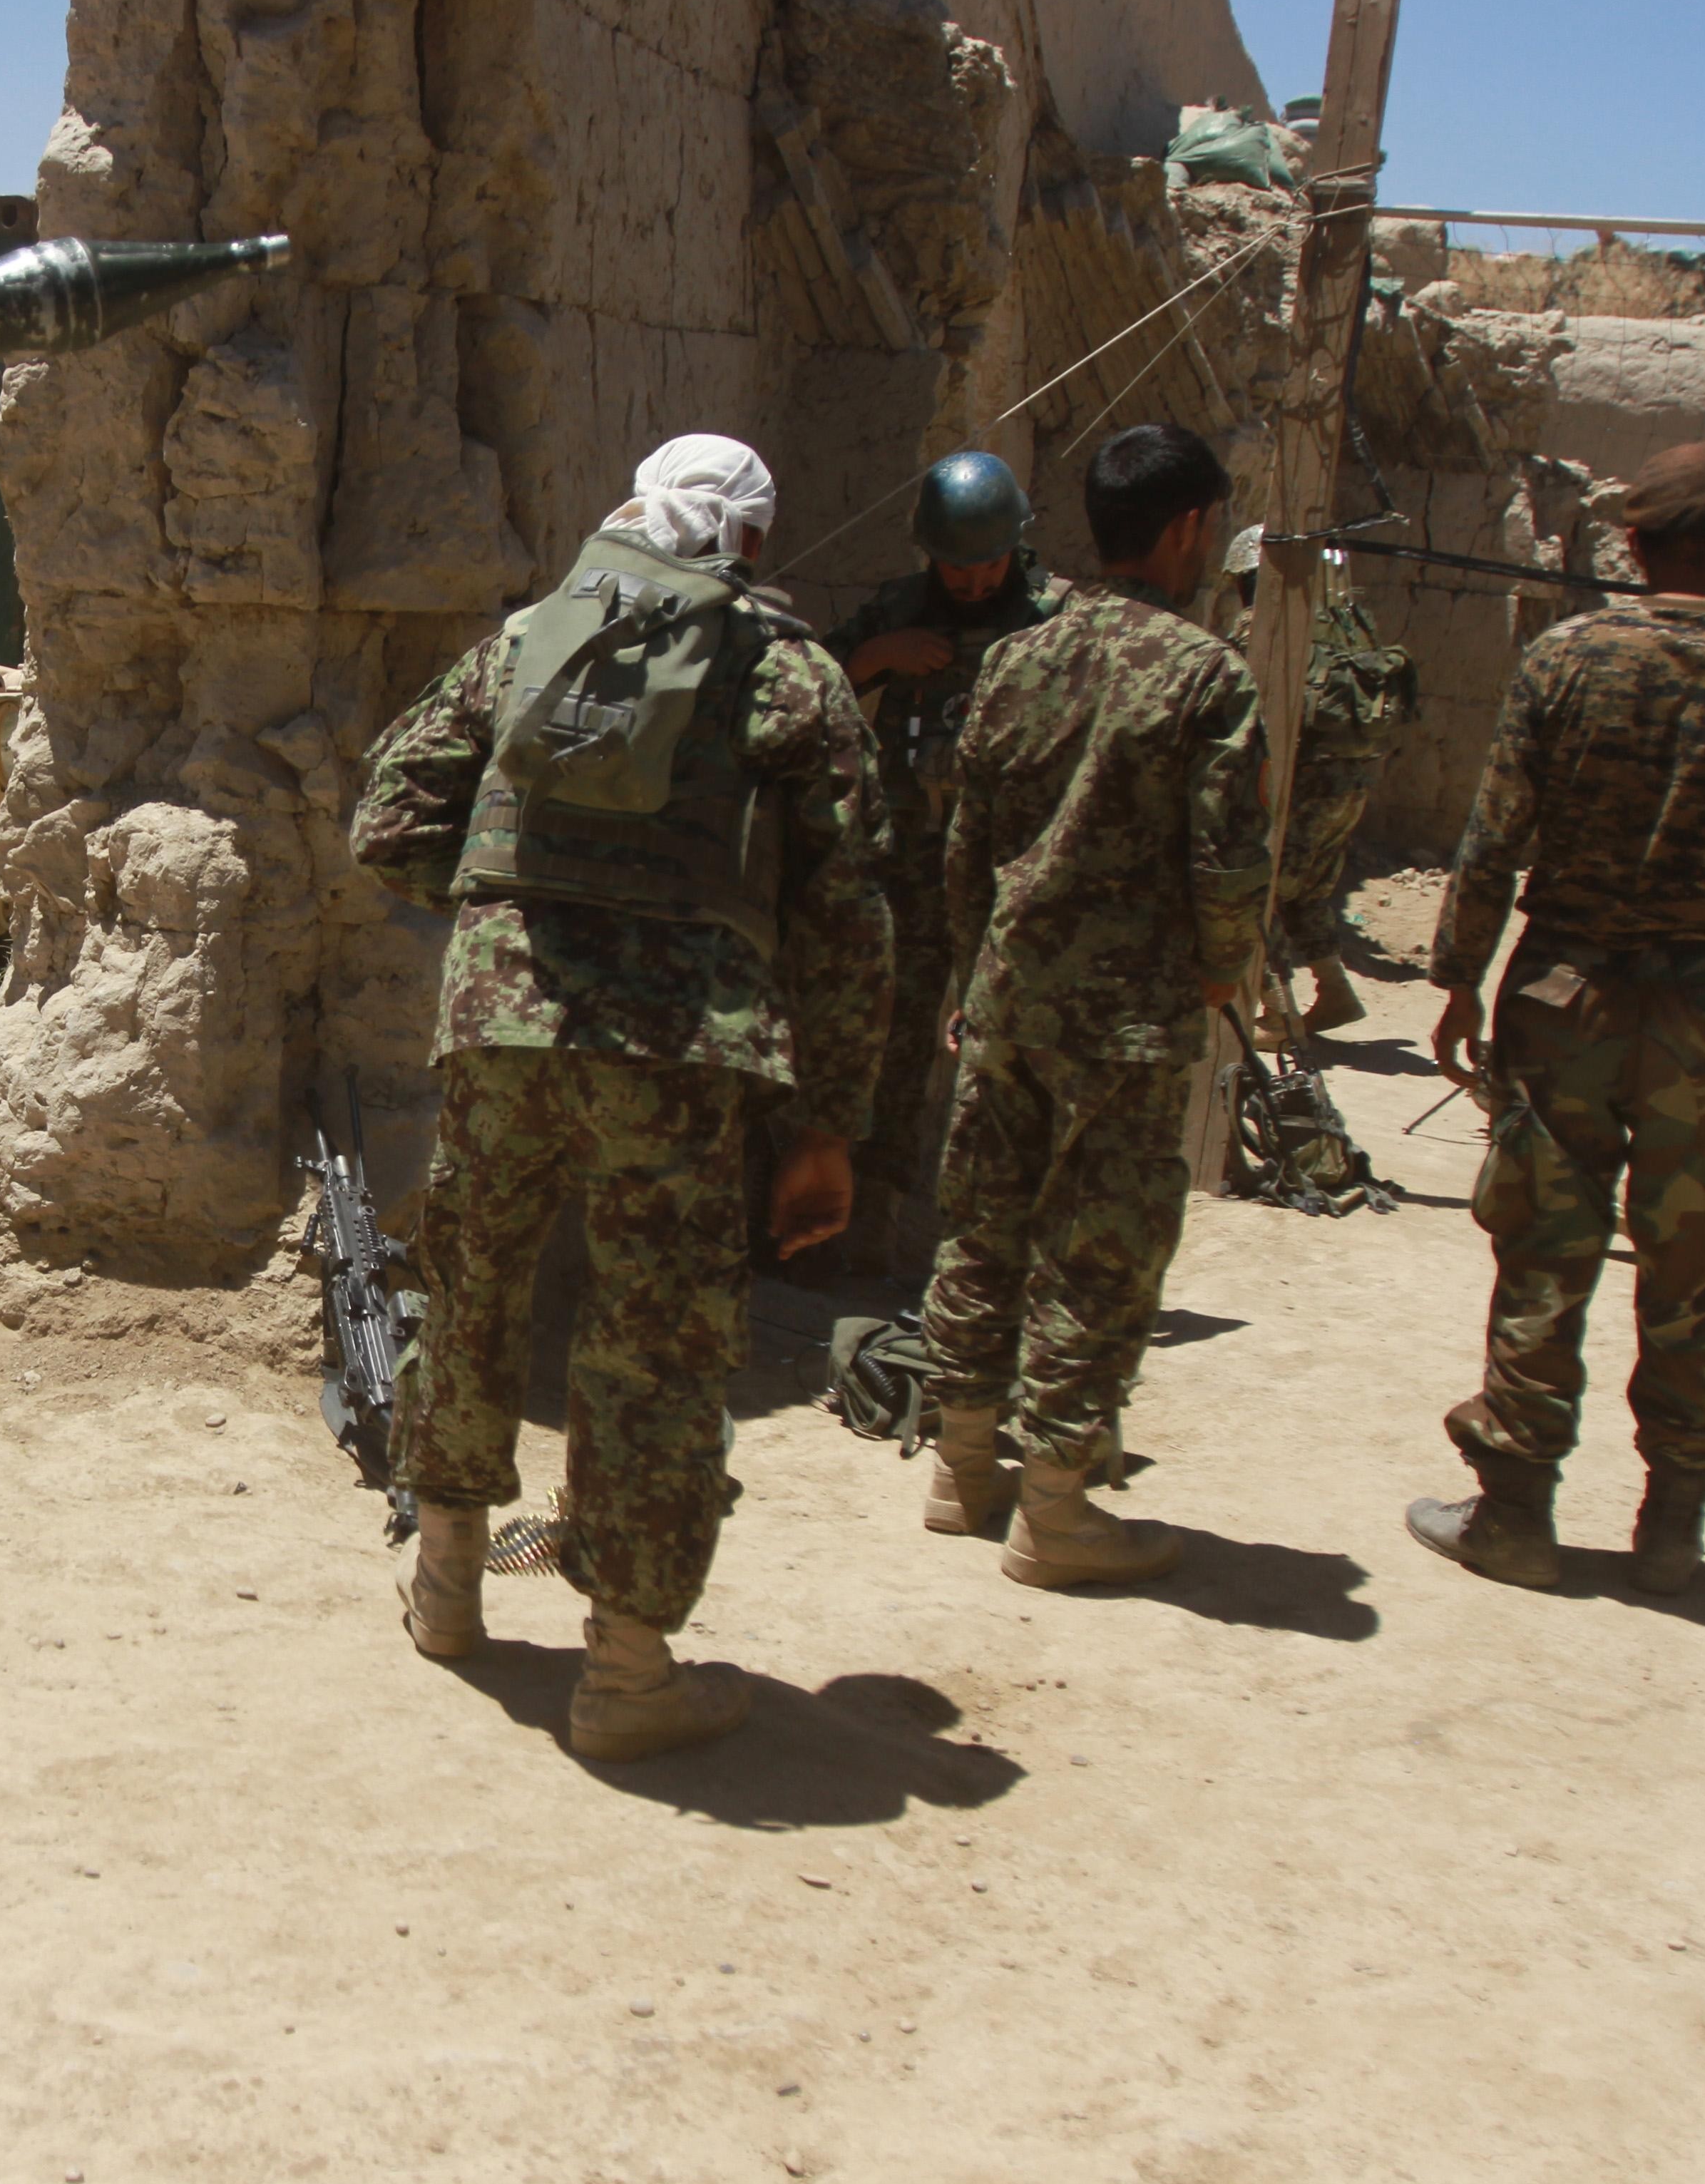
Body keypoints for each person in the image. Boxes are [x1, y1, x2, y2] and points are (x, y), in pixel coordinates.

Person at [352, 434, 891, 1760]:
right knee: (651, 1344)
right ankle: (628, 1677)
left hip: (498, 1024)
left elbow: (390, 820)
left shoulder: (532, 640)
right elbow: (848, 917)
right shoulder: (790, 677)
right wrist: (828, 1121)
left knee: (472, 1288)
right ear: (747, 543)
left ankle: (445, 1594)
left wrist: (503, 923)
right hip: (678, 1052)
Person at [1412, 441, 1705, 1597]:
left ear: (1640, 545)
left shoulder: (1566, 656)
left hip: (1566, 999)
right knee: (1693, 1259)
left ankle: (1511, 1511)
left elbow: (1492, 832)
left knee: (1542, 1251)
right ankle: (1672, 1523)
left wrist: (1455, 974)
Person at [917, 423, 1271, 1588]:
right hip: (1127, 1020)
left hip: (1008, 996)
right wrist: (1224, 969)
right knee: (1096, 1252)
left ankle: (961, 1469)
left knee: (982, 1226)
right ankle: (1056, 1508)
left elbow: (963, 844)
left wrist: (972, 974)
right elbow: (1225, 862)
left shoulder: (1015, 660)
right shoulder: (1205, 676)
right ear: (1184, 529)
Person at [824, 452, 1067, 1258]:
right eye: (953, 568)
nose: (969, 584)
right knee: (890, 1042)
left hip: (1012, 883)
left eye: (986, 565)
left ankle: (998, 1231)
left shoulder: (1054, 619)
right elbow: (811, 688)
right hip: (908, 871)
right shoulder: (900, 608)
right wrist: (880, 657)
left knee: (1011, 1045)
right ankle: (870, 1216)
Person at [1217, 528, 1417, 1041]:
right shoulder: (1351, 622)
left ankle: (1279, 1011)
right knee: (1307, 893)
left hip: (1296, 783)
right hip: (1349, 782)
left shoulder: (1264, 624)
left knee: (1253, 891)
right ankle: (1335, 992)